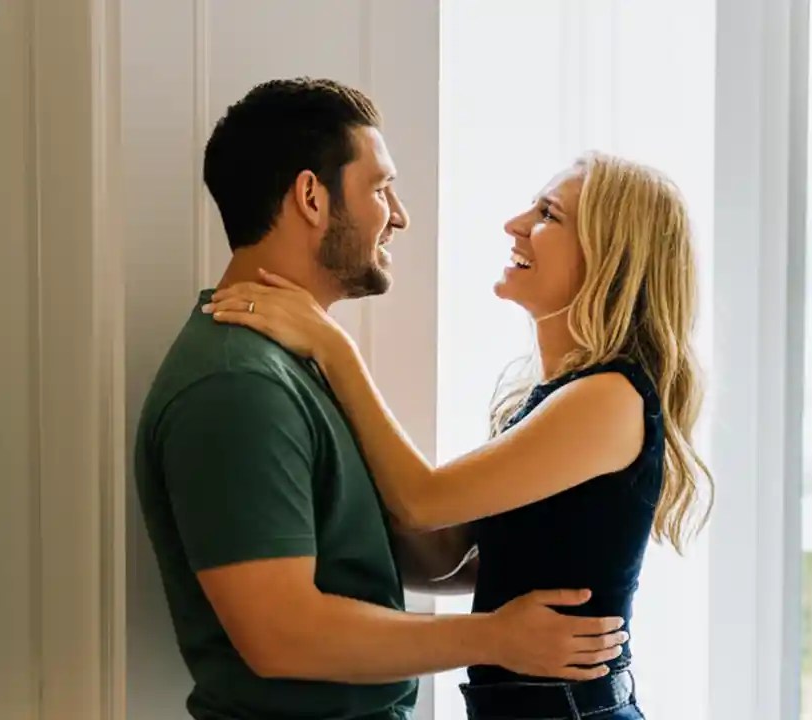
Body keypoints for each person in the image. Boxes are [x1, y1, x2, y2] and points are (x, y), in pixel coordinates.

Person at [133, 78, 627, 720]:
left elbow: (376, 550)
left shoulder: (295, 365)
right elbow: (281, 635)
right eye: (380, 188)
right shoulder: (238, 384)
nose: (399, 214)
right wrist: (496, 636)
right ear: (311, 197)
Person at [202, 151, 715, 719]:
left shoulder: (608, 398)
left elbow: (423, 501)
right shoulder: (557, 398)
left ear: (610, 256)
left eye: (548, 214)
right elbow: (441, 553)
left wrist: (332, 348)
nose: (515, 224)